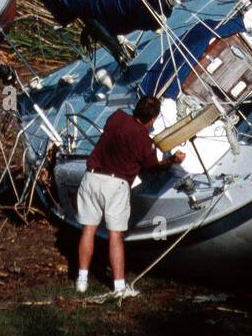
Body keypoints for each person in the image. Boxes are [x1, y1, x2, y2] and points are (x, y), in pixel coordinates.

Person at [75, 95, 184, 297]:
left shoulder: (116, 117)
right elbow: (151, 168)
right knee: (115, 235)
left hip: (91, 178)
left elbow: (116, 135)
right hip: (116, 185)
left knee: (88, 230)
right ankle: (118, 287)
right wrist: (172, 161)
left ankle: (82, 280)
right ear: (152, 120)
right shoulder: (145, 141)